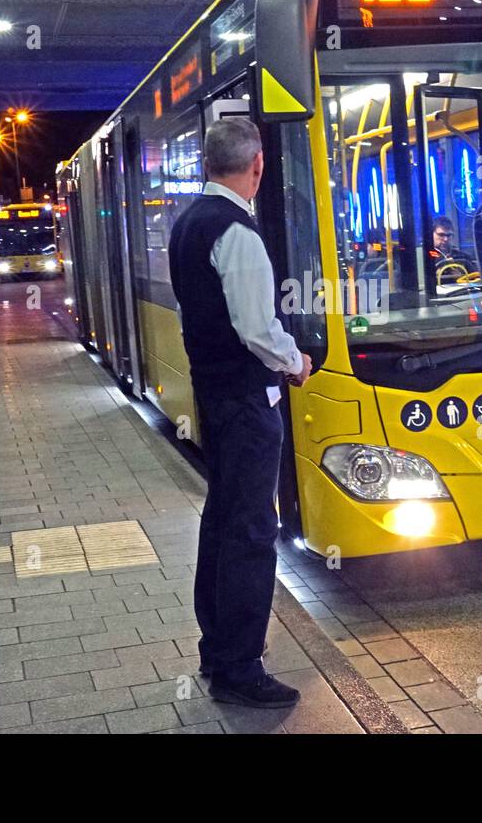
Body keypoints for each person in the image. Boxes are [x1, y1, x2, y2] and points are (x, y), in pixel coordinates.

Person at [167, 116, 312, 710]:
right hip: (249, 404)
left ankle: (218, 647)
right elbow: (257, 328)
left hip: (214, 396)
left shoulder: (188, 224)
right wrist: (295, 361)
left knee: (223, 522)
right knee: (253, 530)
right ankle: (240, 670)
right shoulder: (236, 231)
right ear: (256, 166)